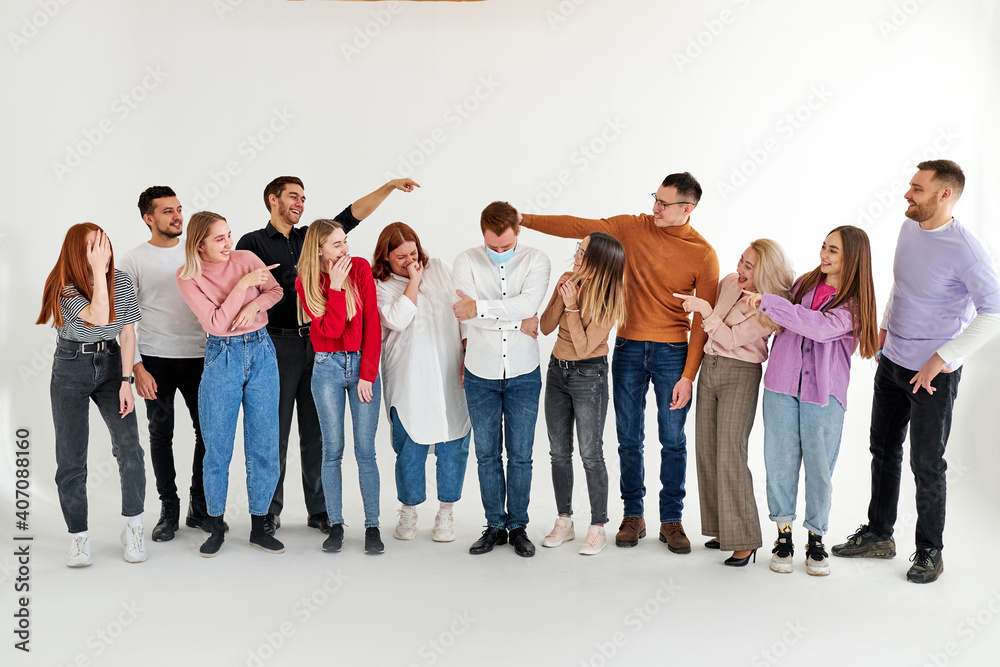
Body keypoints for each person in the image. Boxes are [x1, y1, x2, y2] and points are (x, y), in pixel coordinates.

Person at [520, 173, 718, 553]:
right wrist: (525, 220)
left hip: (673, 353)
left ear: (687, 209)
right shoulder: (633, 227)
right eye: (655, 199)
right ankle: (633, 515)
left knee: (672, 439)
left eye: (664, 203)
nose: (655, 208)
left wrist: (688, 376)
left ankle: (672, 519)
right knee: (629, 438)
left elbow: (701, 323)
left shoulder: (703, 254)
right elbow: (581, 227)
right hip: (627, 347)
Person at [832, 160, 1000, 584]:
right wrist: (886, 326)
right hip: (892, 361)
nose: (907, 194)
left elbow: (993, 313)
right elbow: (902, 287)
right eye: (910, 185)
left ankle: (929, 551)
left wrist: (941, 358)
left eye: (917, 188)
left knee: (928, 465)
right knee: (883, 451)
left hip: (932, 377)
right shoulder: (910, 227)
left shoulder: (967, 250)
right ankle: (878, 535)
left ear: (945, 195)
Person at [236, 176, 419, 536]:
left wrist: (388, 187)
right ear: (272, 200)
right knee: (276, 428)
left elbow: (353, 214)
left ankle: (320, 510)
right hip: (278, 343)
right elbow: (238, 284)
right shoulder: (252, 243)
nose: (300, 202)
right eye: (293, 196)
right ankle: (269, 510)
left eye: (304, 197)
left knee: (317, 433)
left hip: (322, 347)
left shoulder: (314, 237)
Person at [744, 226, 878, 576]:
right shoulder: (803, 283)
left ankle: (816, 536)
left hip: (824, 393)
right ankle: (783, 533)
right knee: (779, 460)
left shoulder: (855, 302)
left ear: (852, 259)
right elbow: (781, 313)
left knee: (820, 466)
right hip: (781, 385)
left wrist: (771, 303)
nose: (823, 254)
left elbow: (818, 327)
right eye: (823, 246)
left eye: (833, 251)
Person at [675, 240, 794, 567]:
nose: (740, 270)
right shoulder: (728, 282)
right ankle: (721, 529)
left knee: (730, 450)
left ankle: (744, 540)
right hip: (710, 369)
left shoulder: (771, 306)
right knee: (707, 448)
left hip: (741, 373)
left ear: (765, 272)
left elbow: (727, 338)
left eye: (749, 266)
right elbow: (714, 337)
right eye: (741, 261)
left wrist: (704, 312)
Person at [36, 223, 147, 567]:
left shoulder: (123, 281)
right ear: (76, 251)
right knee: (71, 457)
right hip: (71, 366)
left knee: (130, 448)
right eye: (93, 247)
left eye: (104, 244)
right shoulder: (63, 287)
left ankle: (133, 526)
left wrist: (127, 380)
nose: (103, 251)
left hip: (112, 363)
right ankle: (79, 537)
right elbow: (99, 316)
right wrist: (99, 271)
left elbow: (127, 334)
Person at [175, 211, 284, 557]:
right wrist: (241, 287)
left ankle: (260, 526)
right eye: (219, 238)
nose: (228, 243)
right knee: (217, 447)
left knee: (265, 444)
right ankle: (216, 526)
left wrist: (255, 306)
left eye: (228, 235)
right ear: (199, 244)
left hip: (262, 351)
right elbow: (218, 324)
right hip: (222, 356)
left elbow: (276, 290)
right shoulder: (187, 277)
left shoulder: (247, 258)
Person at [453, 201, 551, 558]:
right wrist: (517, 318)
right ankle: (494, 524)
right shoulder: (465, 261)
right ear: (482, 233)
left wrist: (481, 307)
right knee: (487, 455)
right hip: (481, 372)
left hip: (524, 373)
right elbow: (467, 314)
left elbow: (527, 305)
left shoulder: (537, 260)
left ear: (517, 232)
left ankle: (519, 526)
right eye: (492, 246)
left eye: (506, 247)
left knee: (521, 456)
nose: (499, 252)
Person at [119, 186, 214, 542]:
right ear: (149, 218)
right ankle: (168, 508)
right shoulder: (133, 260)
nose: (177, 216)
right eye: (167, 211)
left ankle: (199, 505)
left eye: (178, 209)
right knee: (161, 435)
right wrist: (137, 368)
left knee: (208, 433)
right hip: (156, 358)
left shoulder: (198, 252)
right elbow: (122, 320)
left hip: (202, 356)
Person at [372, 222, 472, 543]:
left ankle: (446, 512)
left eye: (413, 253)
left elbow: (465, 312)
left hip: (448, 372)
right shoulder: (380, 286)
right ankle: (409, 509)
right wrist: (413, 280)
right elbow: (398, 320)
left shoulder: (441, 268)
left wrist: (469, 351)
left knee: (453, 443)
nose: (409, 260)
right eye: (400, 257)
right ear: (385, 258)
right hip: (409, 378)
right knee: (410, 447)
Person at [295, 219, 384, 555]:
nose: (345, 249)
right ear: (318, 249)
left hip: (362, 365)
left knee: (366, 451)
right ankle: (335, 524)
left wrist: (368, 374)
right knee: (331, 451)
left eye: (345, 241)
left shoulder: (360, 268)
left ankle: (372, 526)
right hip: (326, 367)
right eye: (336, 244)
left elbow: (372, 323)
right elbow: (330, 330)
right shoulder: (306, 282)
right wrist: (334, 286)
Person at [538, 232, 626, 556]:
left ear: (600, 260)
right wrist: (562, 298)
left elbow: (587, 347)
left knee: (591, 453)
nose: (575, 254)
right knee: (558, 452)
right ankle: (565, 520)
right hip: (556, 371)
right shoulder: (567, 281)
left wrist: (572, 307)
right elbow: (546, 327)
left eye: (582, 251)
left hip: (589, 375)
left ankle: (598, 526)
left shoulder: (610, 296)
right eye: (578, 247)